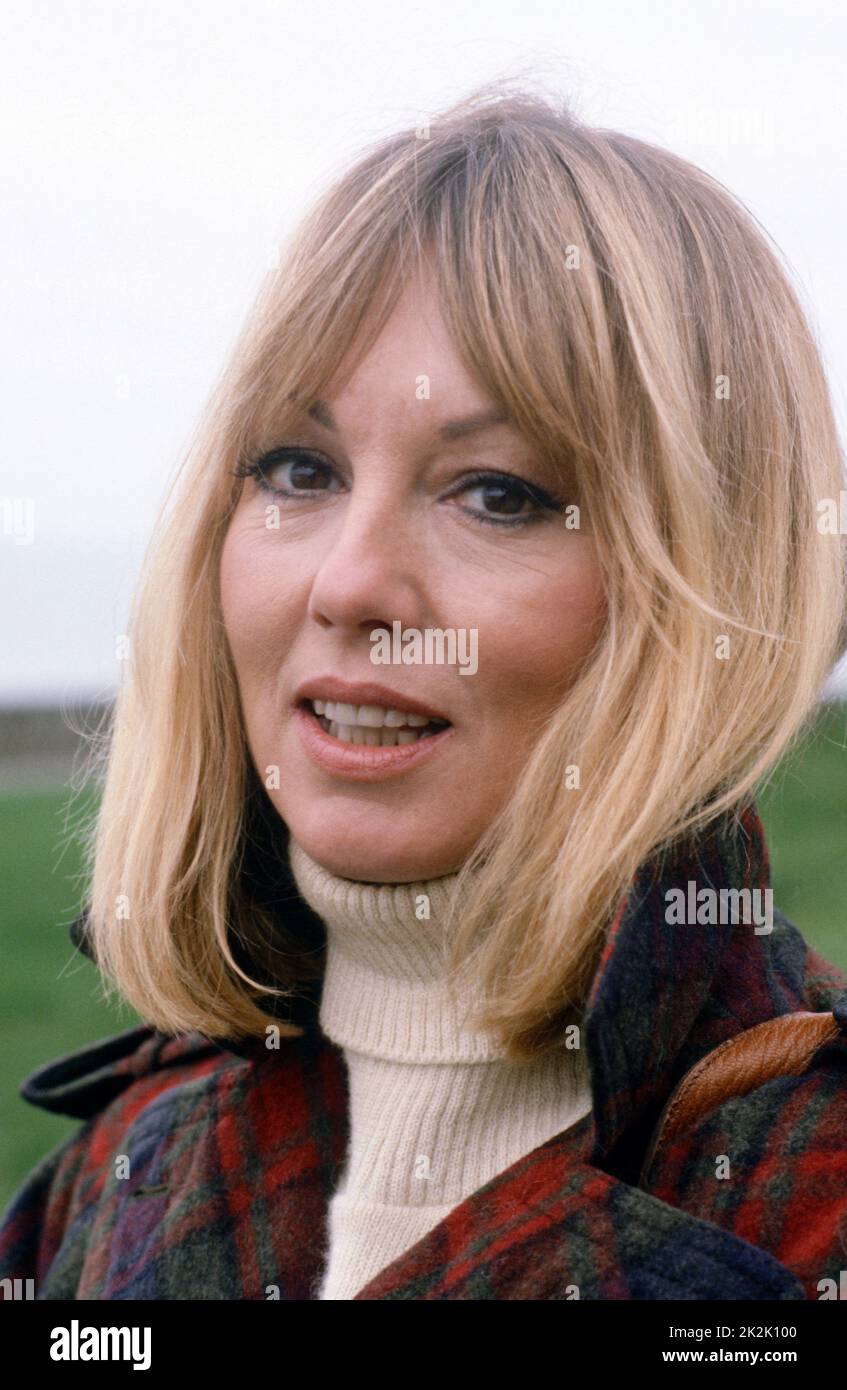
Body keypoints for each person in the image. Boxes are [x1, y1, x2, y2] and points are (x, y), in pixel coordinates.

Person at [1, 80, 846, 1302]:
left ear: (713, 581)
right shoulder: (119, 1167)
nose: (348, 584)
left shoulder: (803, 1196)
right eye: (300, 467)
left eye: (495, 492)